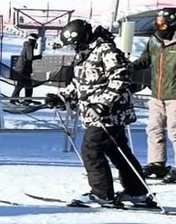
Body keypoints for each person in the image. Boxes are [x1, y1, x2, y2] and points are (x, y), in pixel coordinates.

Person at [45, 19, 154, 208]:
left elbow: (121, 78)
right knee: (118, 151)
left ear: (84, 38)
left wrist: (103, 104)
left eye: (75, 44)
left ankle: (102, 193)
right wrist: (62, 97)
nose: (74, 48)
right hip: (100, 113)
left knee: (91, 149)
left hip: (109, 114)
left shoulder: (107, 51)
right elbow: (83, 84)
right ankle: (137, 192)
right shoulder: (86, 53)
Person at [131, 6, 176, 184]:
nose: (159, 26)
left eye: (163, 23)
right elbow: (145, 58)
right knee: (154, 129)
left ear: (173, 23)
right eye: (157, 23)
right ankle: (156, 163)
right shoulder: (154, 40)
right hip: (157, 92)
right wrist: (132, 66)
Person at [11, 33, 40, 102]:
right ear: (33, 40)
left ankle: (27, 99)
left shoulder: (27, 45)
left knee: (28, 85)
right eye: (35, 41)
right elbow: (29, 57)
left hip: (23, 69)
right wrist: (38, 57)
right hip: (23, 69)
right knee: (20, 85)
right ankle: (13, 100)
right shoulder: (29, 46)